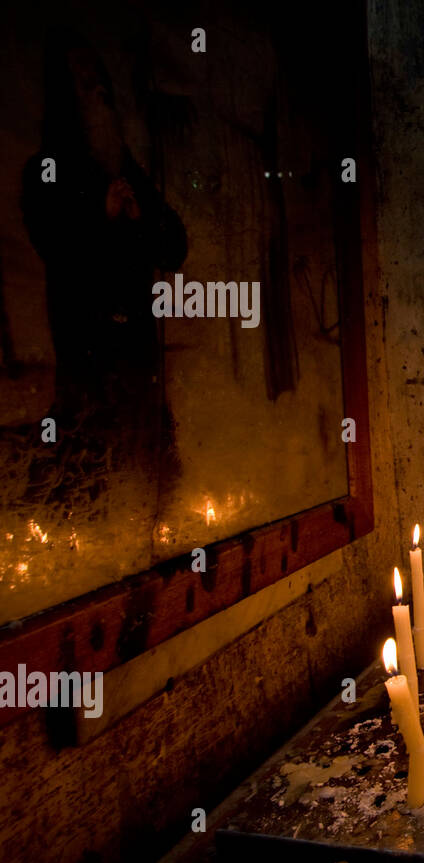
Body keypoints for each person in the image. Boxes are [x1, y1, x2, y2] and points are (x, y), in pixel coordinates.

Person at [19, 30, 187, 511]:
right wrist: (102, 216)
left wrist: (140, 219)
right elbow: (54, 245)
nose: (95, 87)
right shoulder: (43, 171)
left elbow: (173, 247)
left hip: (140, 365)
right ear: (63, 92)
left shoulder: (128, 172)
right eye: (81, 77)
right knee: (88, 492)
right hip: (88, 360)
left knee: (156, 490)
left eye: (98, 75)